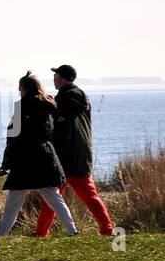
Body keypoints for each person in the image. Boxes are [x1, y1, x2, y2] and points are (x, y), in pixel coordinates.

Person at [34, 64, 114, 236]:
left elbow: (61, 129)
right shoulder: (82, 97)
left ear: (61, 78)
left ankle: (41, 233)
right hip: (81, 154)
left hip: (64, 156)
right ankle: (107, 229)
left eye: (55, 76)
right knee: (89, 196)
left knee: (51, 197)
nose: (53, 79)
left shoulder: (63, 100)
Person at [0, 71, 78, 237]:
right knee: (55, 198)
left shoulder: (22, 106)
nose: (19, 92)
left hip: (24, 161)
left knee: (14, 201)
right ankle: (72, 231)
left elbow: (12, 136)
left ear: (24, 88)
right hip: (46, 157)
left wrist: (6, 164)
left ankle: (2, 235)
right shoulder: (50, 104)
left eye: (20, 89)